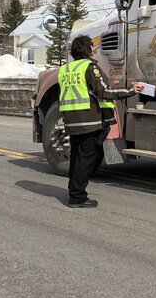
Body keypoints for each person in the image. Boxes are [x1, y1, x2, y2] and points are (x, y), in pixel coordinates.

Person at [58, 35, 143, 208]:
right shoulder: (90, 68)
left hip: (72, 121)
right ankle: (77, 197)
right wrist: (131, 91)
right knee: (89, 159)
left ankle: (74, 190)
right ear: (87, 49)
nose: (94, 50)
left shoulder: (65, 69)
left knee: (77, 158)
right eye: (92, 46)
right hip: (89, 120)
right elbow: (104, 92)